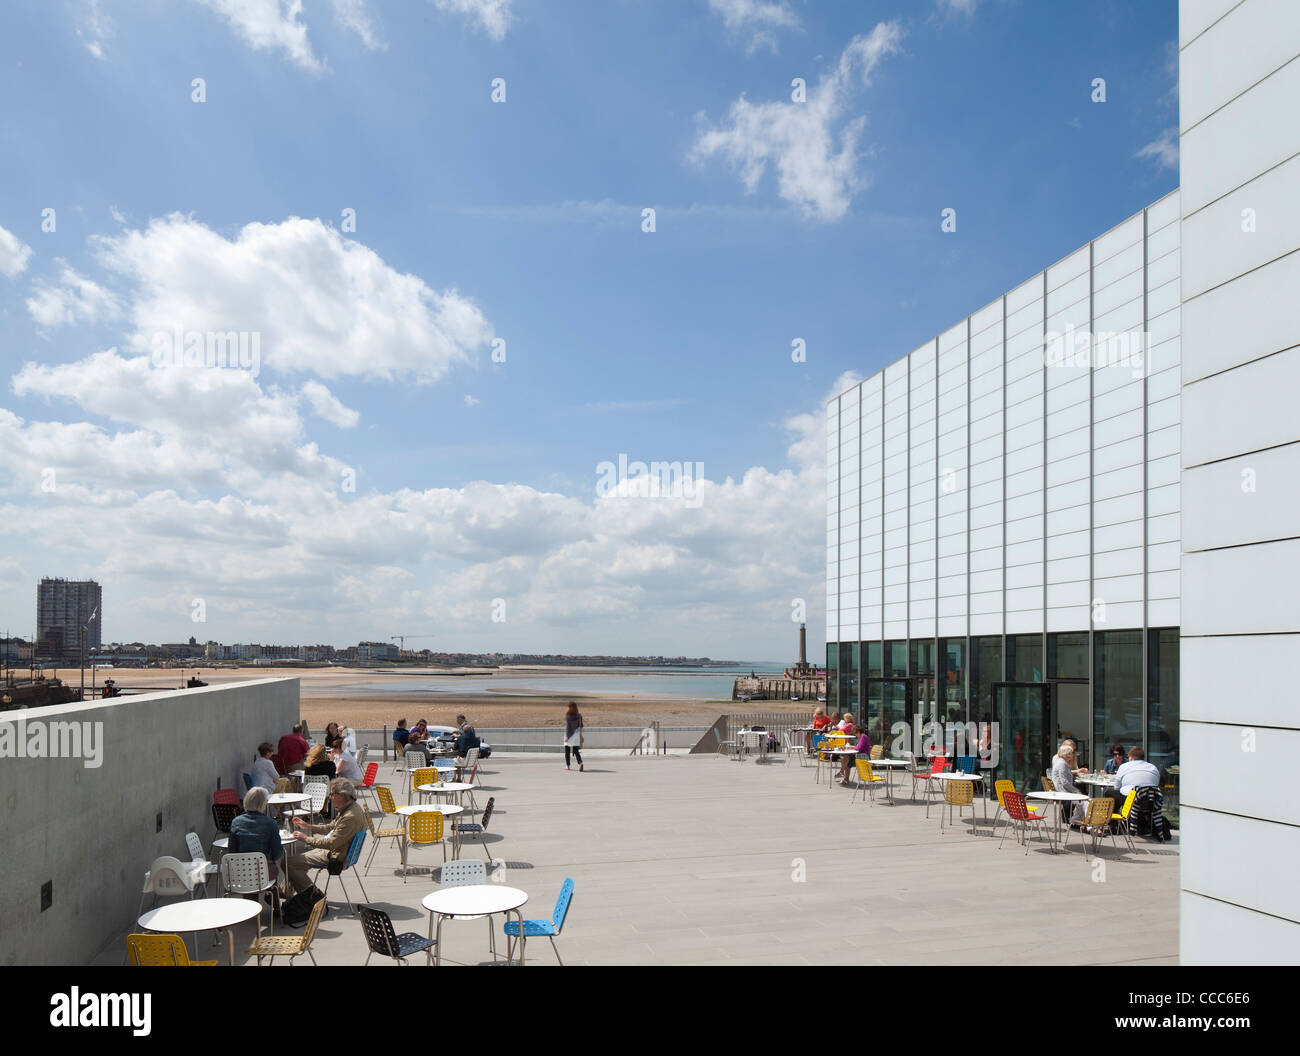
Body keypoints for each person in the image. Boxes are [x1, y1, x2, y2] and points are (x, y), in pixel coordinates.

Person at [286, 778, 368, 899]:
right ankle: (285, 891)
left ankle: (313, 896)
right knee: (296, 861)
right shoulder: (350, 808)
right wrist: (308, 826)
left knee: (288, 863)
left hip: (337, 855)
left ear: (341, 795)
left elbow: (331, 843)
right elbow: (331, 827)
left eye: (331, 794)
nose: (330, 797)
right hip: (339, 849)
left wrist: (306, 839)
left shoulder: (350, 816)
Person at [228, 786, 284, 885]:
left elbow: (232, 851)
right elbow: (277, 853)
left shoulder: (235, 822)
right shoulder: (270, 824)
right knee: (270, 867)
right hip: (263, 873)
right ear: (263, 804)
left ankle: (252, 898)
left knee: (250, 879)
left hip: (242, 873)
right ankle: (273, 897)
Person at [1050, 742, 1086, 821]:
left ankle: (1075, 819)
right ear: (1067, 754)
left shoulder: (1062, 762)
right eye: (1072, 753)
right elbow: (1065, 782)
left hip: (1062, 790)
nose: (1073, 754)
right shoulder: (1062, 764)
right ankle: (1076, 820)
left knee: (1083, 800)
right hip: (1063, 792)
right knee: (1085, 801)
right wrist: (1076, 791)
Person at [564, 701, 584, 771]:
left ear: (569, 707)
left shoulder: (568, 716)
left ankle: (568, 766)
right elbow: (581, 726)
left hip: (569, 735)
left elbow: (568, 727)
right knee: (576, 751)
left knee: (567, 751)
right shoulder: (579, 715)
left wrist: (567, 736)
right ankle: (580, 763)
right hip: (576, 735)